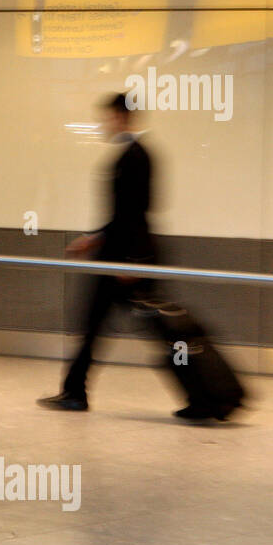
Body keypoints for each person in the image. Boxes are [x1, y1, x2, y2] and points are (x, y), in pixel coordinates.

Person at [38, 92, 161, 413]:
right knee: (103, 326)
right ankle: (75, 390)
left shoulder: (136, 157)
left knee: (155, 330)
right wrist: (94, 238)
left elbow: (137, 212)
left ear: (122, 117)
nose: (104, 124)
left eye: (108, 117)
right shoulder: (131, 155)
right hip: (118, 255)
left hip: (123, 260)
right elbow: (125, 214)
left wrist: (130, 261)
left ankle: (204, 394)